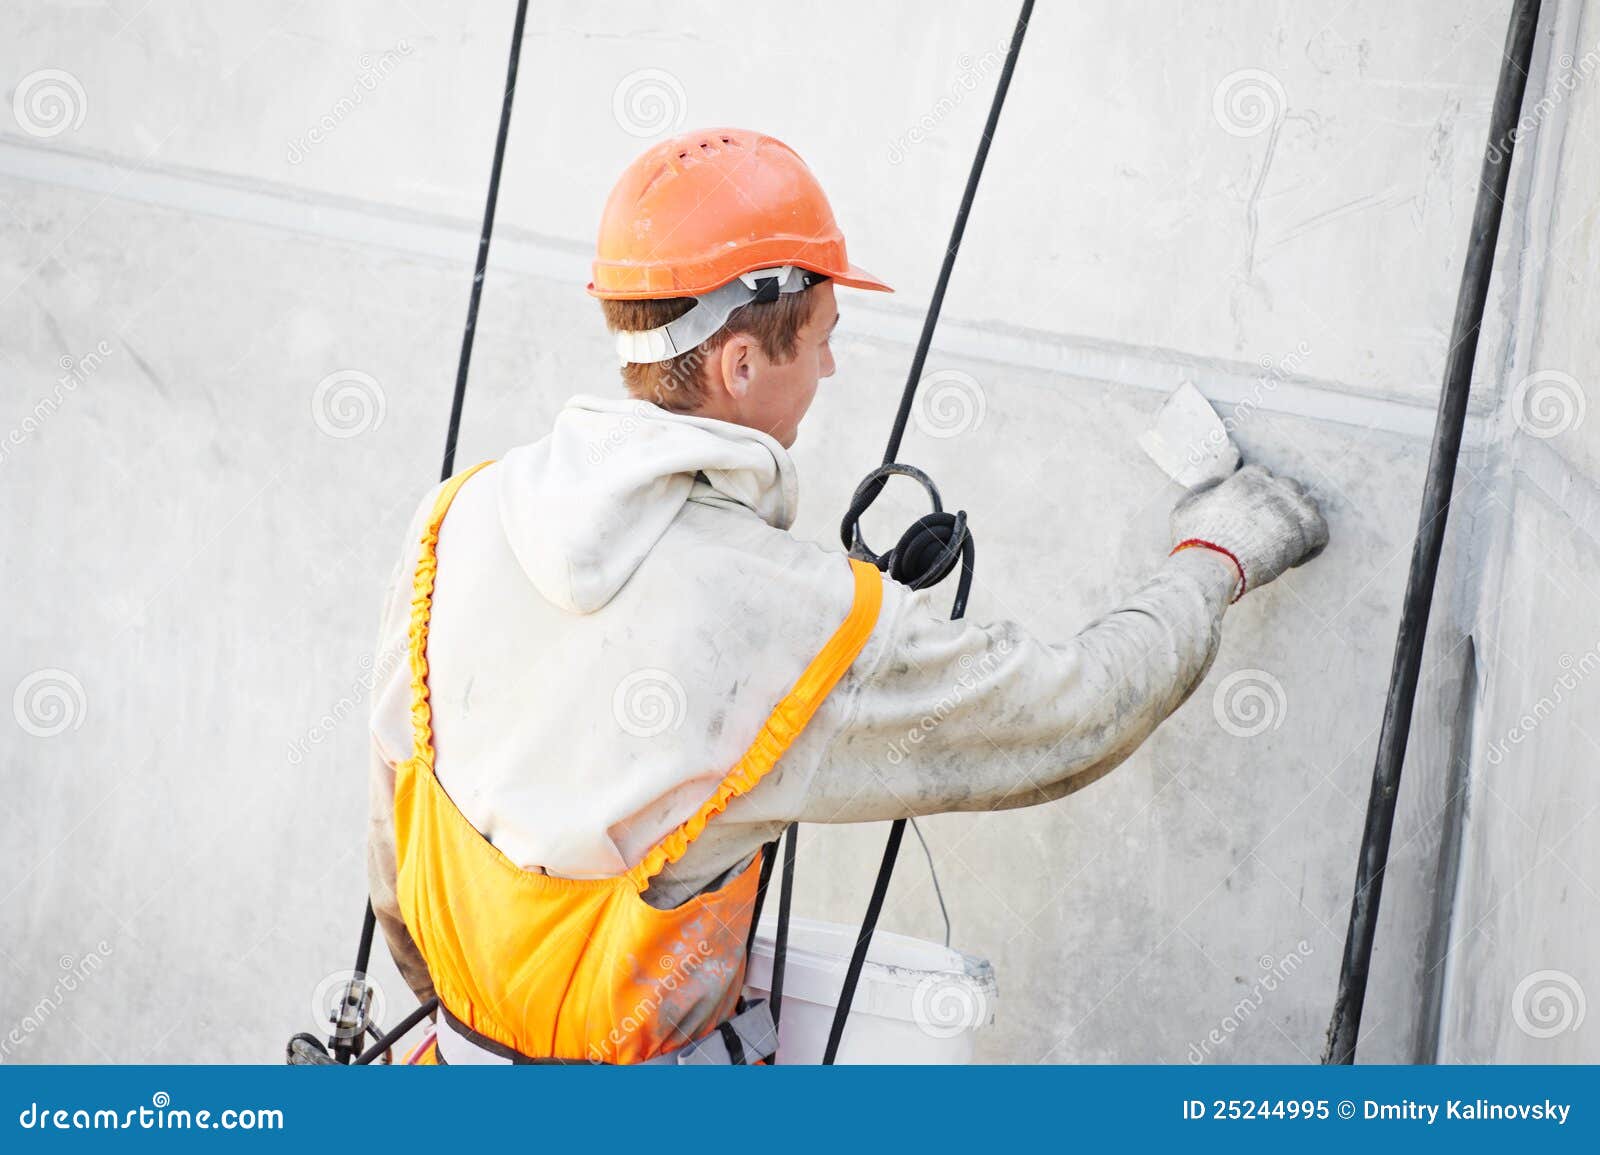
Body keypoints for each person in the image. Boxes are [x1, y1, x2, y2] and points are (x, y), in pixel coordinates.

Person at [366, 128, 1328, 1065]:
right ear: (741, 363)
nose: (828, 367)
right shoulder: (794, 621)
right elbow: (1075, 712)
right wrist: (1214, 559)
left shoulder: (454, 517)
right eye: (823, 339)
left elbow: (395, 847)